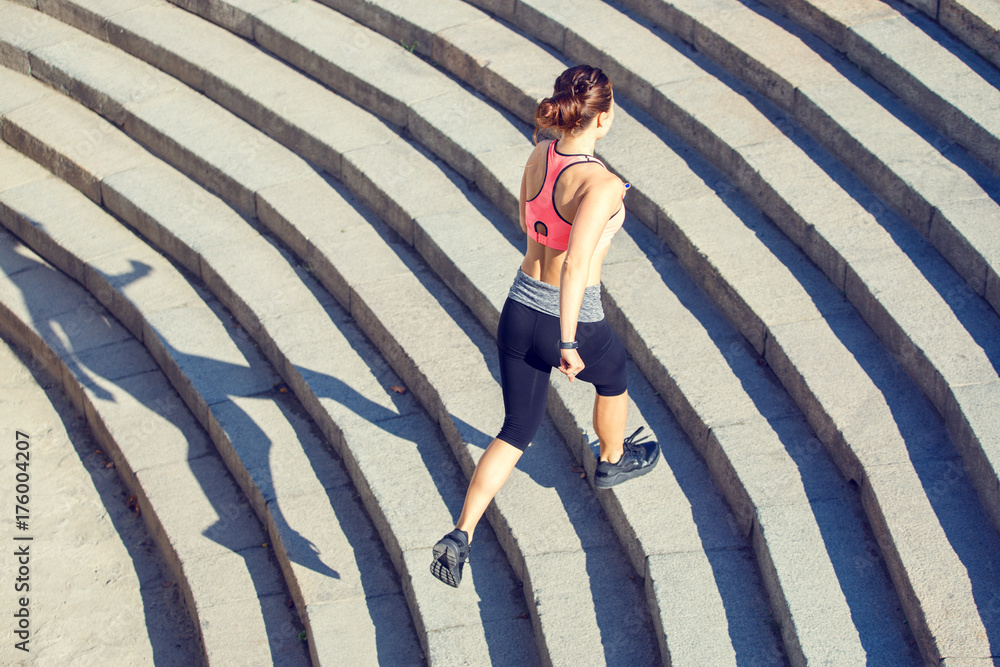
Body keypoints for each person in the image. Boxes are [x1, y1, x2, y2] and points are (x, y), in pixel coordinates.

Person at [430, 65, 659, 588]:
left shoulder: (539, 155)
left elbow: (531, 223)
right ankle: (614, 458)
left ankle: (461, 533)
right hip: (563, 314)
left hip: (517, 306)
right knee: (615, 373)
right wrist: (569, 340)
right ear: (602, 119)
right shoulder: (602, 184)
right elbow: (577, 267)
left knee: (516, 430)